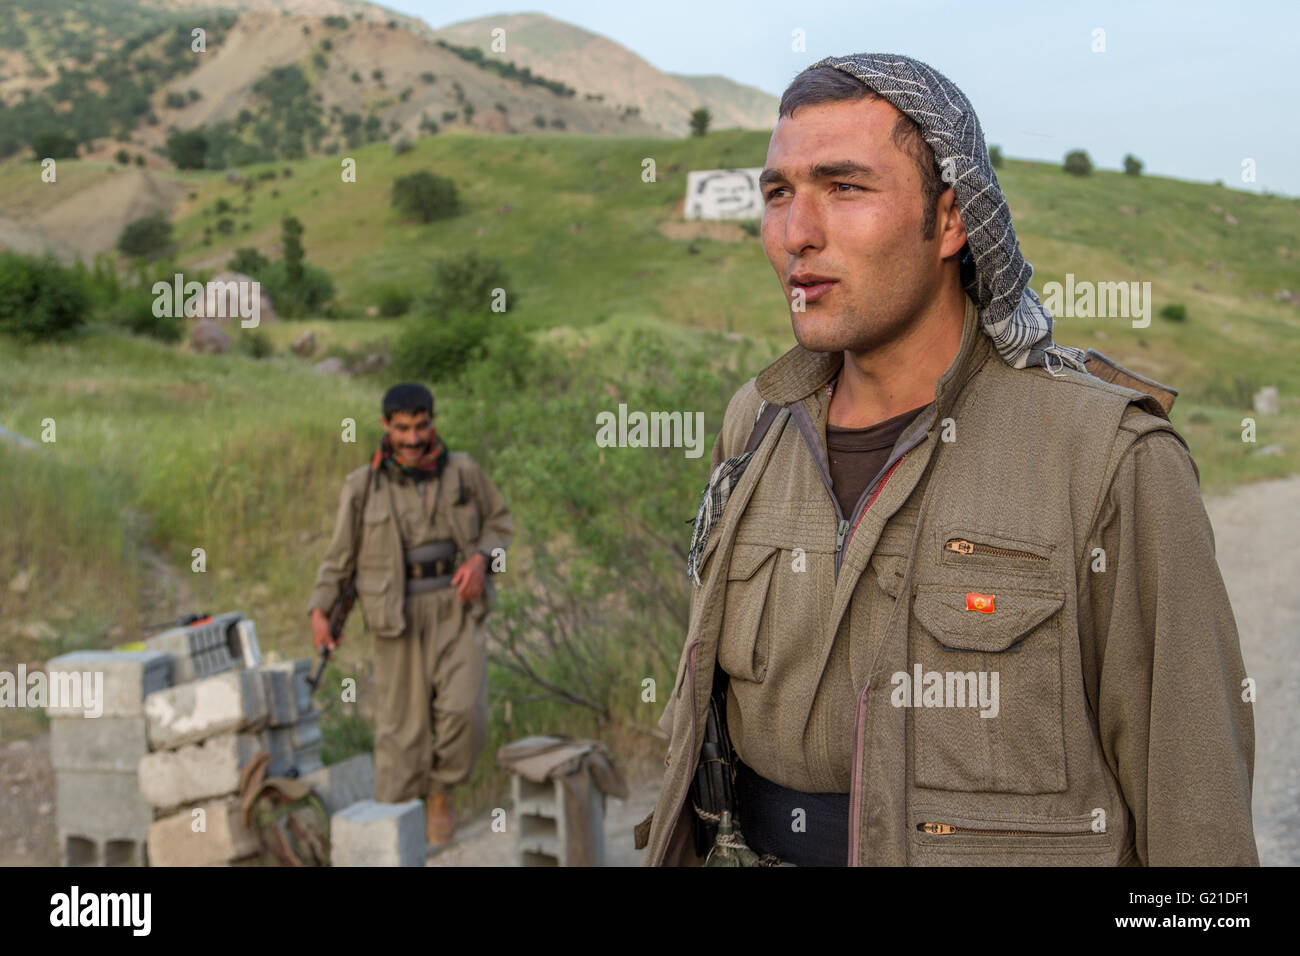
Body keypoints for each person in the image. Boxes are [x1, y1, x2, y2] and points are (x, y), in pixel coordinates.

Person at [640, 54, 1257, 866]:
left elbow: (1194, 809)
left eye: (845, 187)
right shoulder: (755, 426)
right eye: (779, 193)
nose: (797, 234)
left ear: (952, 219)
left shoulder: (1108, 458)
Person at [307, 383, 512, 846]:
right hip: (394, 615)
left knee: (465, 711)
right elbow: (340, 557)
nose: (413, 438)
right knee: (402, 730)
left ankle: (441, 793)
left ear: (432, 423)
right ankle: (397, 824)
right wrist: (321, 610)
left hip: (457, 609)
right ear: (386, 427)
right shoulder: (362, 486)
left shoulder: (463, 473)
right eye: (402, 428)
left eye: (421, 427)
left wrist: (482, 560)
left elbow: (501, 525)